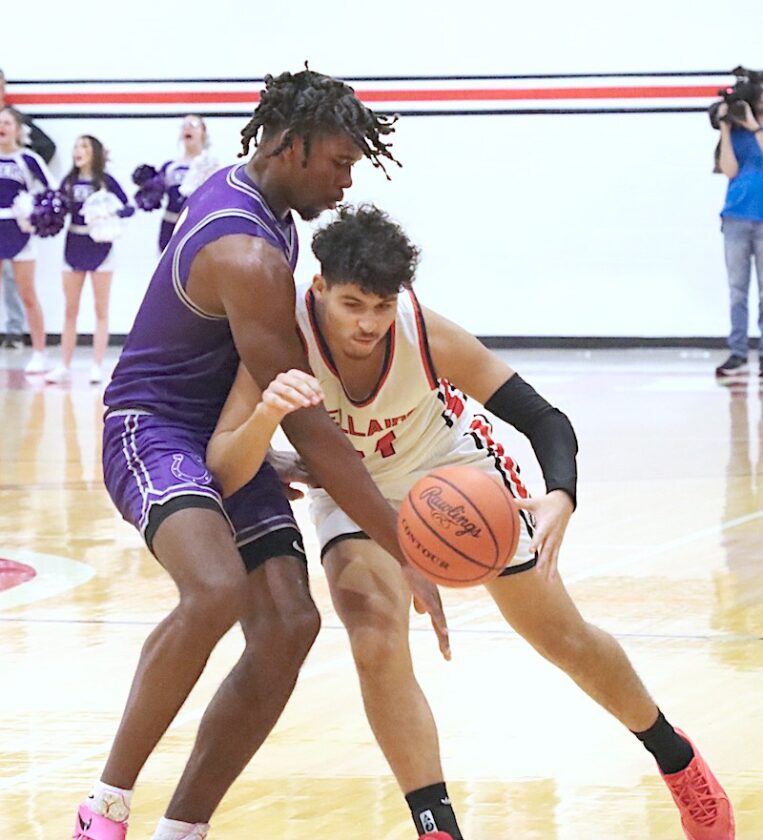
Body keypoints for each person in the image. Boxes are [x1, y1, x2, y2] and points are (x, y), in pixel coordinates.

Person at [207, 205, 735, 840]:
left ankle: (677, 761)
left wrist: (560, 495)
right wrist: (266, 420)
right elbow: (224, 467)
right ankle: (437, 827)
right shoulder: (282, 337)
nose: (369, 324)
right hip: (350, 489)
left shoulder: (425, 334)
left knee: (560, 637)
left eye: (381, 306)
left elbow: (545, 419)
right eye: (352, 305)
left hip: (454, 475)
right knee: (372, 635)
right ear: (318, 289)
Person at [71, 68, 446, 840]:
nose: (347, 182)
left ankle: (184, 828)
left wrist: (251, 451)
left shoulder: (279, 218)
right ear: (288, 144)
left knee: (287, 624)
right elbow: (308, 420)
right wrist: (402, 543)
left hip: (216, 433)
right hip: (151, 428)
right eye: (339, 162)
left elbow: (268, 392)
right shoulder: (246, 250)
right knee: (213, 590)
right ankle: (103, 809)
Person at [45, 135, 134, 385]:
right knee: (70, 310)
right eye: (75, 146)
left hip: (101, 247)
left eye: (84, 146)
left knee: (100, 309)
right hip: (73, 245)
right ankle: (64, 365)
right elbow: (57, 209)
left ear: (94, 152)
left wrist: (108, 212)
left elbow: (129, 207)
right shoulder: (69, 181)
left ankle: (97, 366)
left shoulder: (105, 181)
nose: (78, 151)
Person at [0, 67, 56, 349]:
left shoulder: (27, 154)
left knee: (24, 289)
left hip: (18, 228)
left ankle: (31, 346)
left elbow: (51, 189)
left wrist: (32, 207)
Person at [715, 84, 763, 378]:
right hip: (735, 218)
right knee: (737, 291)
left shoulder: (756, 131)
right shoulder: (736, 133)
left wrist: (754, 126)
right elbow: (729, 170)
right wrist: (725, 128)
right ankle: (738, 353)